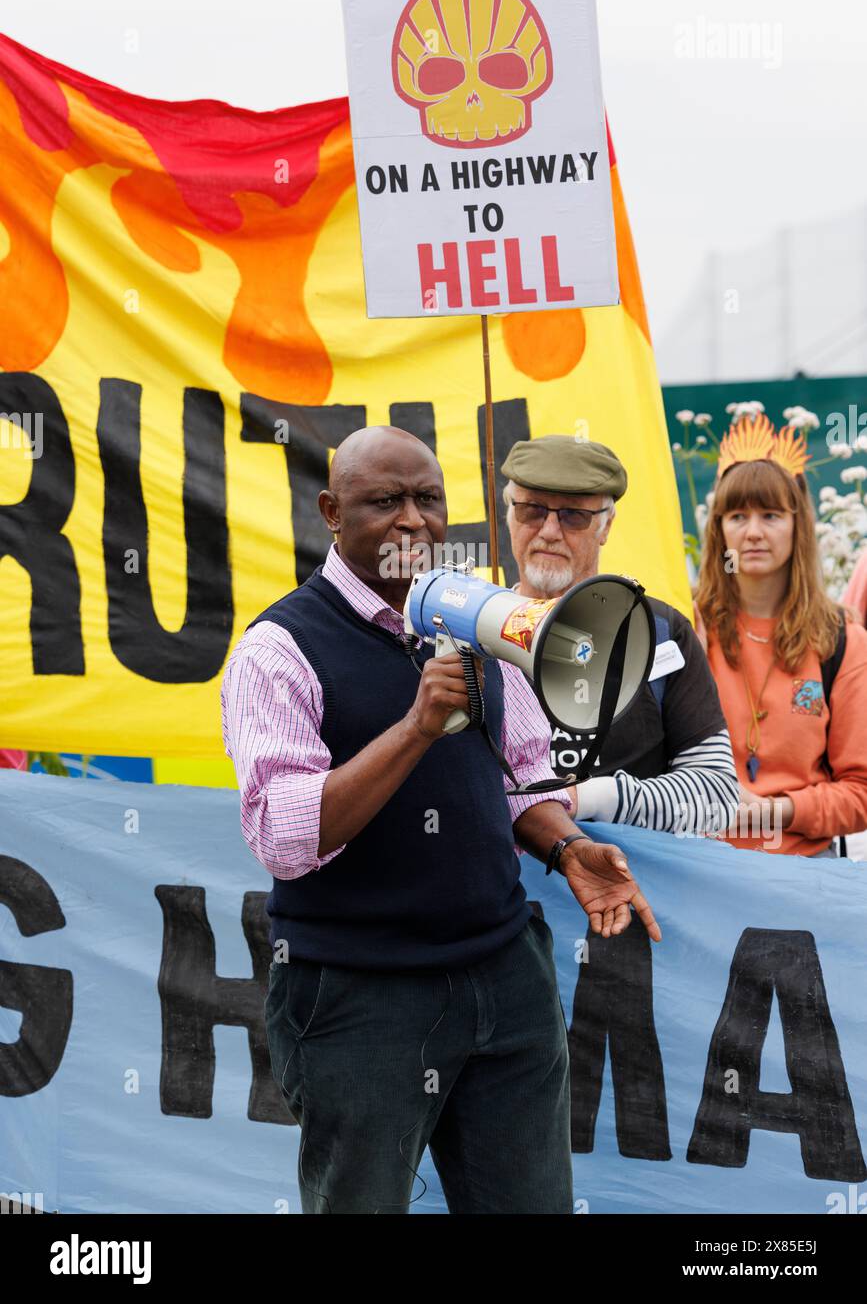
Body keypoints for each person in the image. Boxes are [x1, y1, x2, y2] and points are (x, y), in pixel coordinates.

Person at [221, 425, 660, 1216]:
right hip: (359, 999)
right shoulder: (279, 649)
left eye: (427, 499)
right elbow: (285, 838)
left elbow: (522, 780)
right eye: (383, 502)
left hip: (503, 977)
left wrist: (565, 848)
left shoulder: (475, 615)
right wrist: (415, 727)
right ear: (330, 510)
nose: (412, 522)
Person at [501, 435, 738, 836]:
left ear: (606, 525)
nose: (549, 531)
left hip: (636, 891)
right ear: (508, 514)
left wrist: (588, 799)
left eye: (574, 516)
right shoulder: (467, 634)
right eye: (531, 511)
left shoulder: (661, 633)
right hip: (509, 895)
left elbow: (717, 799)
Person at [694, 412, 867, 856]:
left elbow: (861, 792)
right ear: (719, 530)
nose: (753, 532)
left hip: (806, 874)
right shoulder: (687, 626)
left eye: (770, 515)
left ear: (798, 527)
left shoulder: (841, 641)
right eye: (737, 515)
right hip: (700, 869)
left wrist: (775, 811)